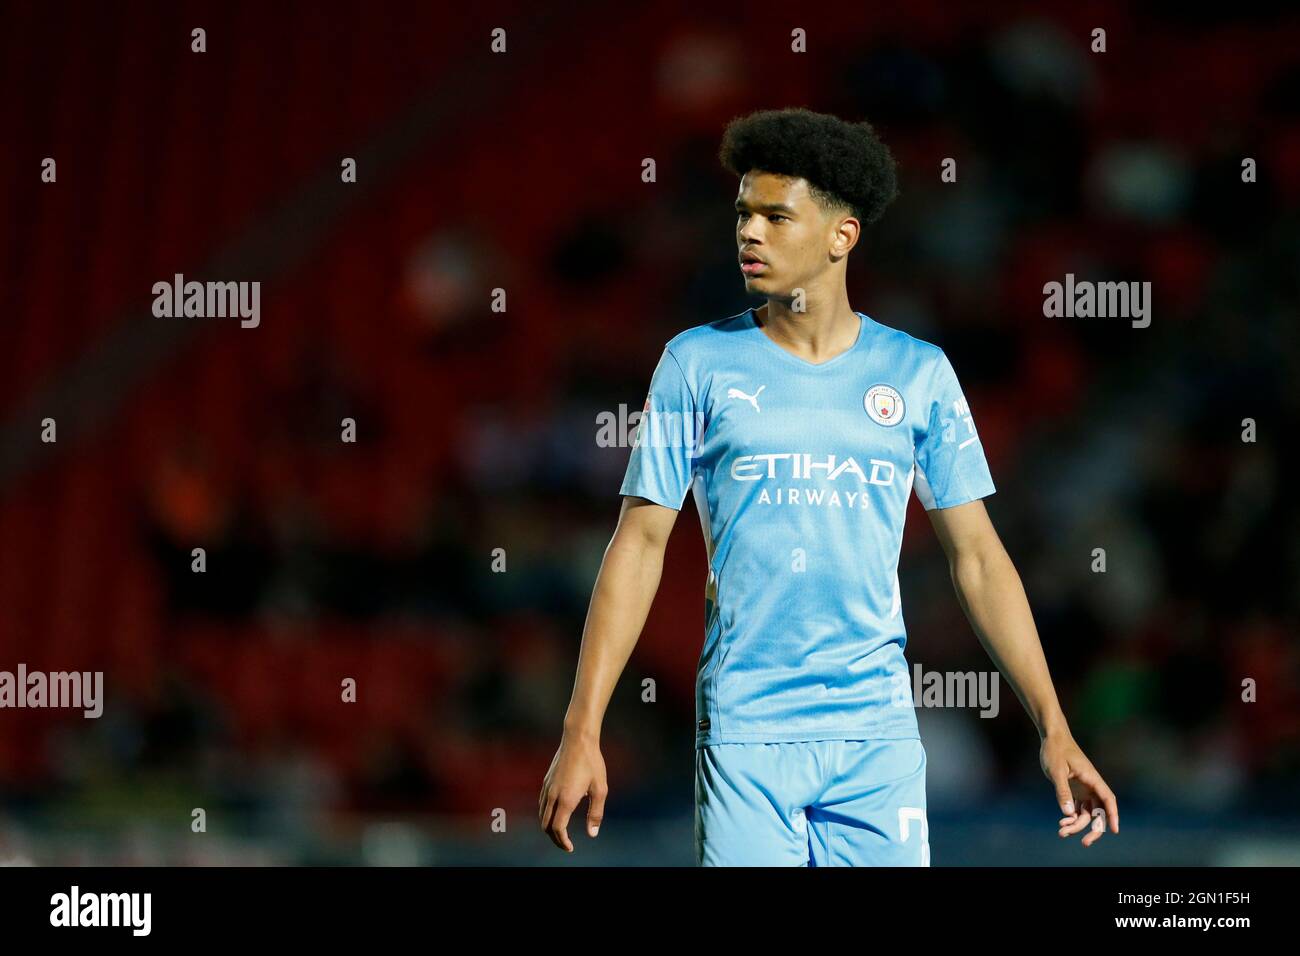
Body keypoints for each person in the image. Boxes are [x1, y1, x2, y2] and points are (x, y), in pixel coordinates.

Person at [539, 107, 1119, 865]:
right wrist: (582, 730)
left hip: (876, 739)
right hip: (747, 733)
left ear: (841, 236)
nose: (749, 232)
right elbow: (639, 545)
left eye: (777, 217)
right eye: (743, 213)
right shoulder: (696, 364)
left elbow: (977, 557)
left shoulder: (918, 373)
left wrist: (1054, 725)